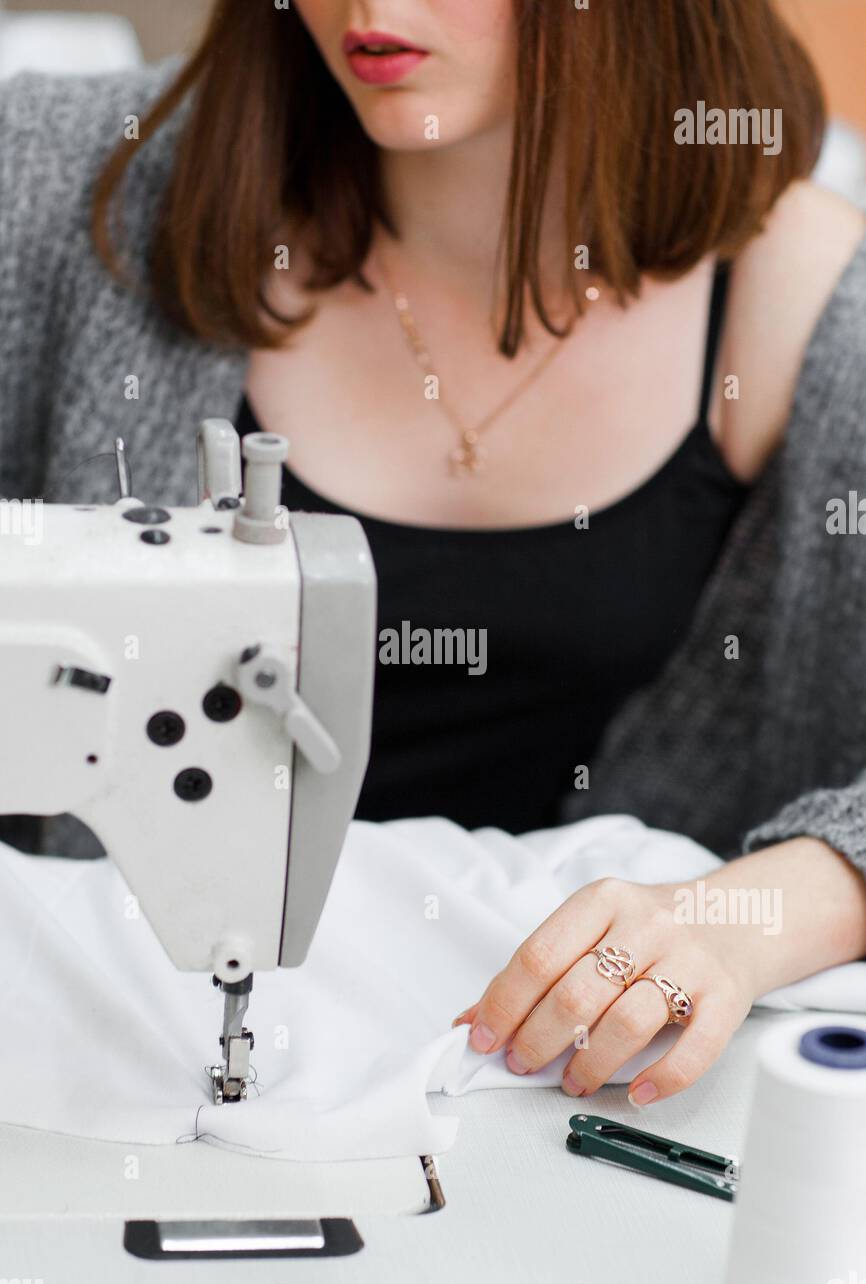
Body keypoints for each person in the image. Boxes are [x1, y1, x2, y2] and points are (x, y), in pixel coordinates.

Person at [2, 0, 866, 1107]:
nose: (368, 8)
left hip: (571, 1105)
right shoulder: (58, 190)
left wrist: (762, 910)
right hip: (97, 1064)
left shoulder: (816, 317)